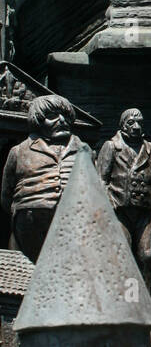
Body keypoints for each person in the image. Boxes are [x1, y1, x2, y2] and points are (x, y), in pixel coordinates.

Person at [0, 95, 88, 262]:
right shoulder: (19, 151)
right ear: (38, 121)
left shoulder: (84, 149)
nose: (61, 120)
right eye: (52, 116)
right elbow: (6, 195)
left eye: (65, 116)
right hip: (31, 220)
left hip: (72, 220)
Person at [97, 109, 151, 299]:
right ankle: (126, 301)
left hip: (143, 210)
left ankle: (146, 301)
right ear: (122, 125)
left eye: (139, 123)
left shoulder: (149, 148)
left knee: (148, 255)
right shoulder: (111, 146)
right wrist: (104, 206)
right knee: (123, 253)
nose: (136, 127)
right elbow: (101, 178)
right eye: (131, 123)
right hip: (119, 209)